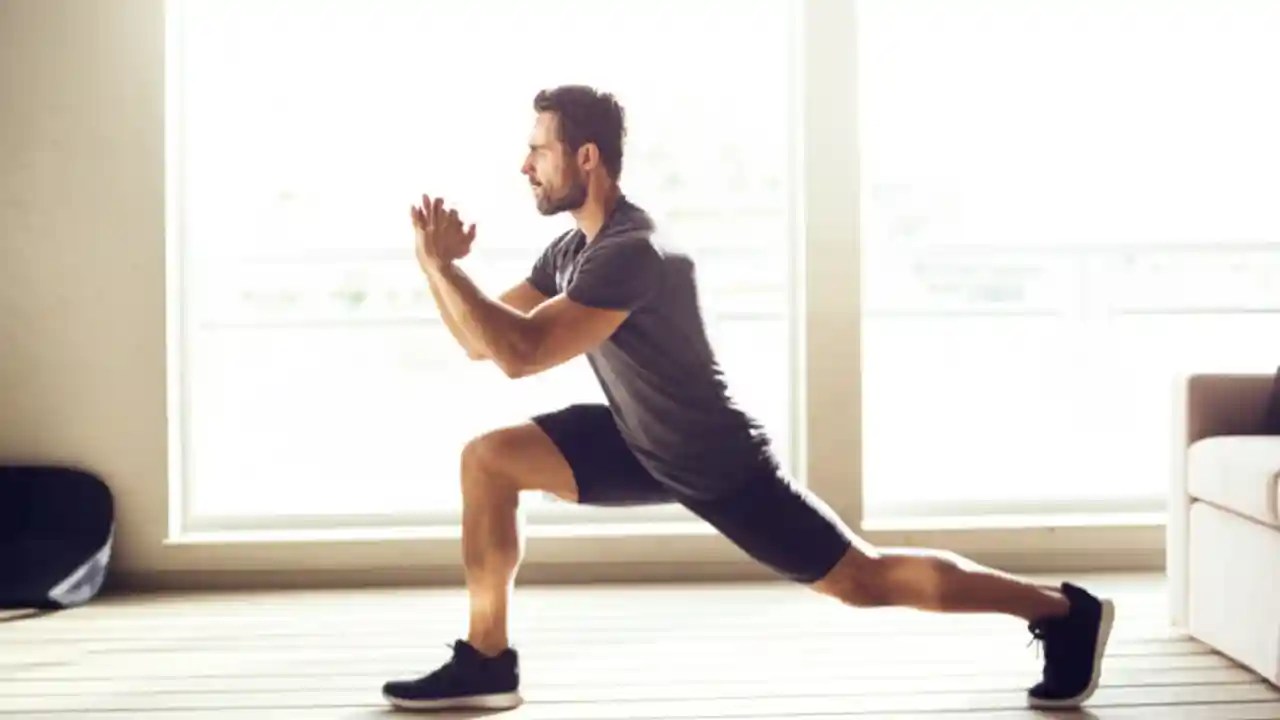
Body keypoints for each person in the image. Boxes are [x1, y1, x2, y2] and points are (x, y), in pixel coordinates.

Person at [382, 84, 1114, 712]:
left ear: (586, 158)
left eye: (537, 150)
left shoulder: (630, 252)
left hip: (715, 461)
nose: (524, 165)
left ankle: (1062, 609)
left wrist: (446, 269)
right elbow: (482, 340)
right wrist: (434, 269)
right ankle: (487, 659)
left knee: (862, 579)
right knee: (489, 461)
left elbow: (521, 353)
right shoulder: (572, 249)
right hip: (640, 441)